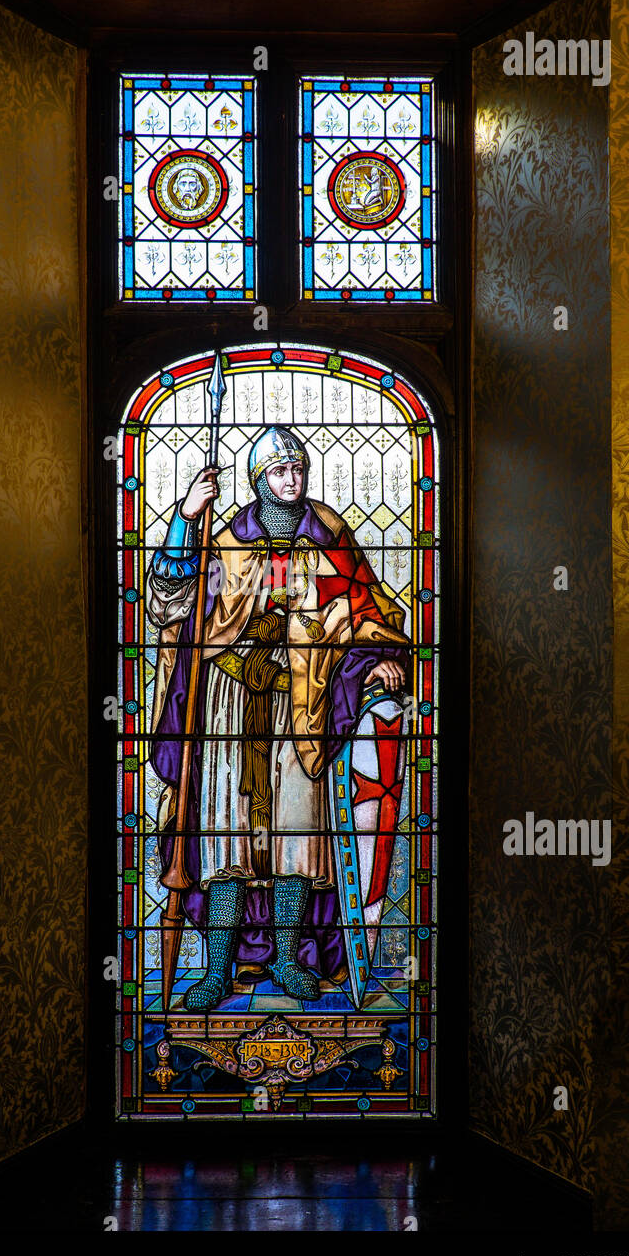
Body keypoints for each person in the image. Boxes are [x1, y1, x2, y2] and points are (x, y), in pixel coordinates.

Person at [147, 425, 410, 1011]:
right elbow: (170, 599)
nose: (294, 481)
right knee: (224, 836)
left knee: (298, 833)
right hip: (228, 702)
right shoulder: (226, 539)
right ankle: (217, 969)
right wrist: (185, 519)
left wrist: (381, 658)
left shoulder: (329, 536)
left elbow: (367, 605)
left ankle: (290, 959)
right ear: (259, 481)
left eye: (300, 470)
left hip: (302, 699)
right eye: (281, 472)